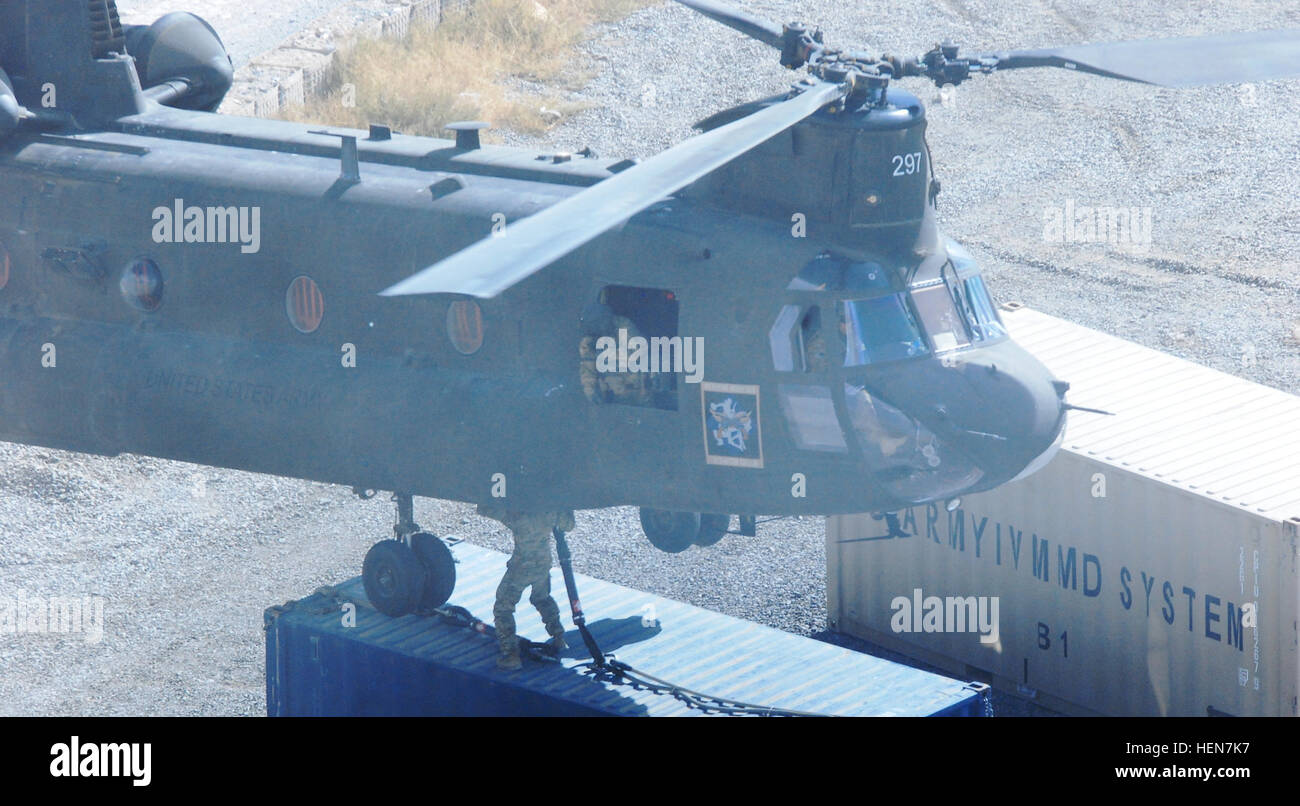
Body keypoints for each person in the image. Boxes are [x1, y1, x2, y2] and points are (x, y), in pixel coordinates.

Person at [477, 504, 574, 671]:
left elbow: (487, 509)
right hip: (543, 564)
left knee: (503, 608)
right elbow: (568, 525)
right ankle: (559, 638)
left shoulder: (518, 514)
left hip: (522, 568)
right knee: (542, 598)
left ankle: (511, 655)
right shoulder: (550, 509)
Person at [578, 302, 652, 406]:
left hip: (634, 392)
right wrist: (589, 390)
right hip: (611, 397)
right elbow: (587, 367)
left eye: (599, 323)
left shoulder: (626, 330)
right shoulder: (591, 336)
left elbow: (637, 360)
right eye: (594, 325)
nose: (598, 327)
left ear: (607, 318)